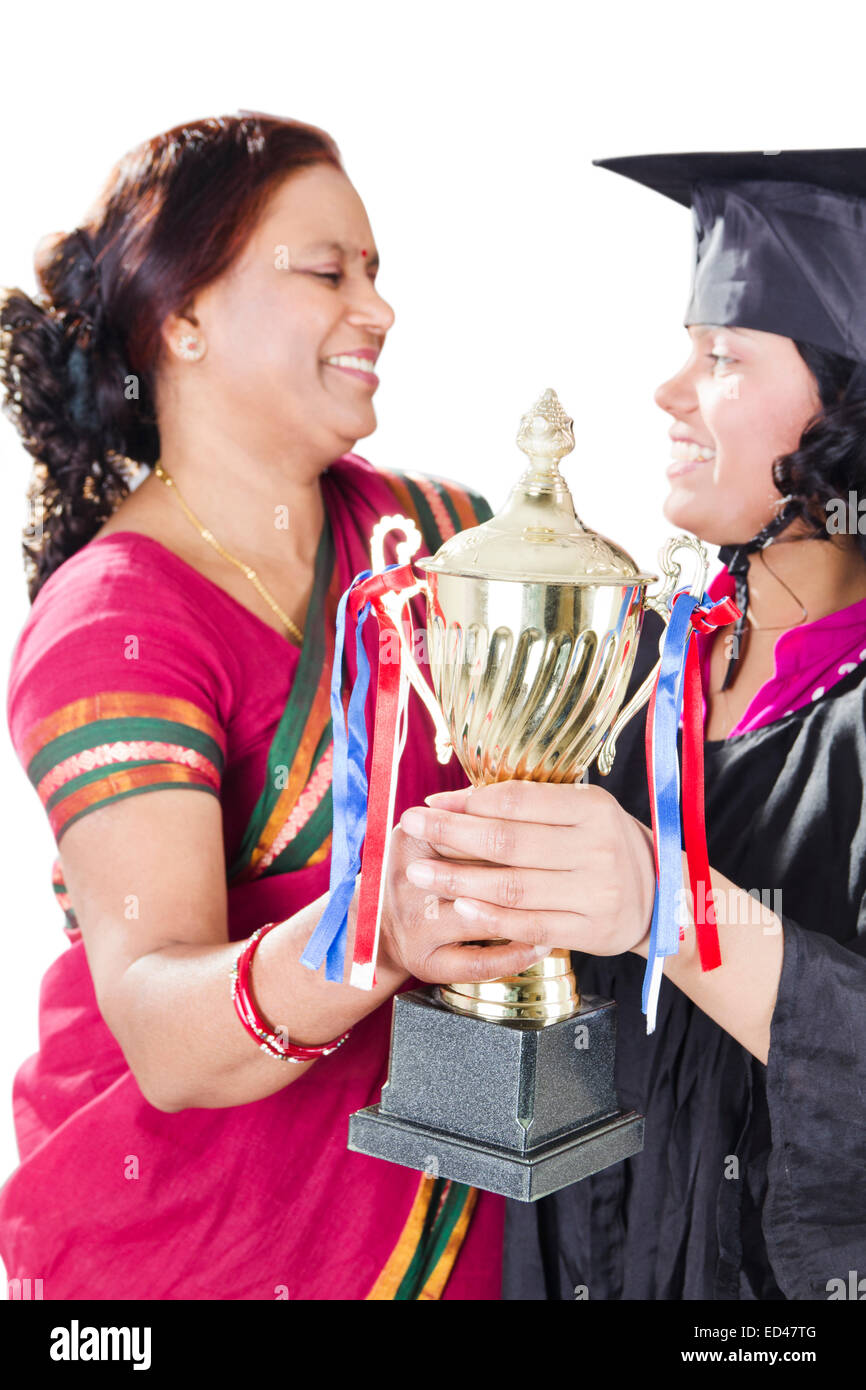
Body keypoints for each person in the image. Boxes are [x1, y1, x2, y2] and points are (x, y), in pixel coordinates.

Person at [0, 110, 544, 1300]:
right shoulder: (113, 624)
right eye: (325, 272)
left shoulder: (440, 539)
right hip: (197, 1244)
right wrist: (380, 930)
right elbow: (157, 1020)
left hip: (452, 1206)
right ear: (182, 320)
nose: (378, 309)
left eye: (375, 273)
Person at [395, 149, 866, 1299]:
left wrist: (668, 903)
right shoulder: (631, 659)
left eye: (719, 359)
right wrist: (447, 937)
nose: (666, 394)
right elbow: (500, 1100)